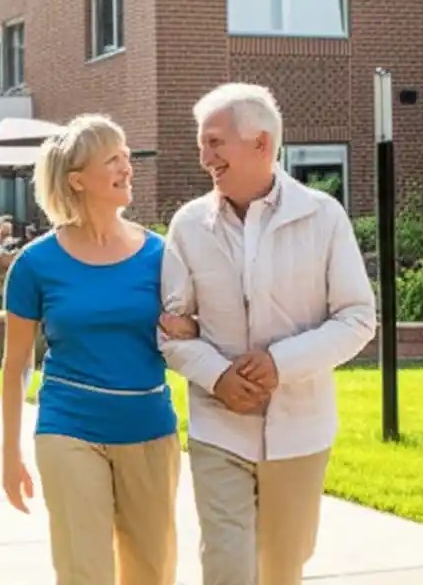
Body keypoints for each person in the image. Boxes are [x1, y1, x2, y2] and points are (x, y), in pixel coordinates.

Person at [159, 83, 377, 585]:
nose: (204, 157)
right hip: (218, 427)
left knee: (282, 568)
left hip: (301, 429)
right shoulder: (188, 225)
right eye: (201, 143)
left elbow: (357, 317)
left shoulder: (323, 216)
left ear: (261, 144)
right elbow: (171, 331)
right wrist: (218, 376)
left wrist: (280, 363)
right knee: (227, 565)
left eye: (215, 142)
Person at [0, 113, 194, 585]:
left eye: (127, 156)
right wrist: (10, 453)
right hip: (69, 428)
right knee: (84, 570)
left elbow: (191, 332)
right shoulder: (35, 264)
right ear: (77, 181)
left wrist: (187, 328)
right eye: (113, 159)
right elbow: (16, 364)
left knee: (152, 569)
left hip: (149, 428)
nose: (127, 167)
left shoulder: (162, 254)